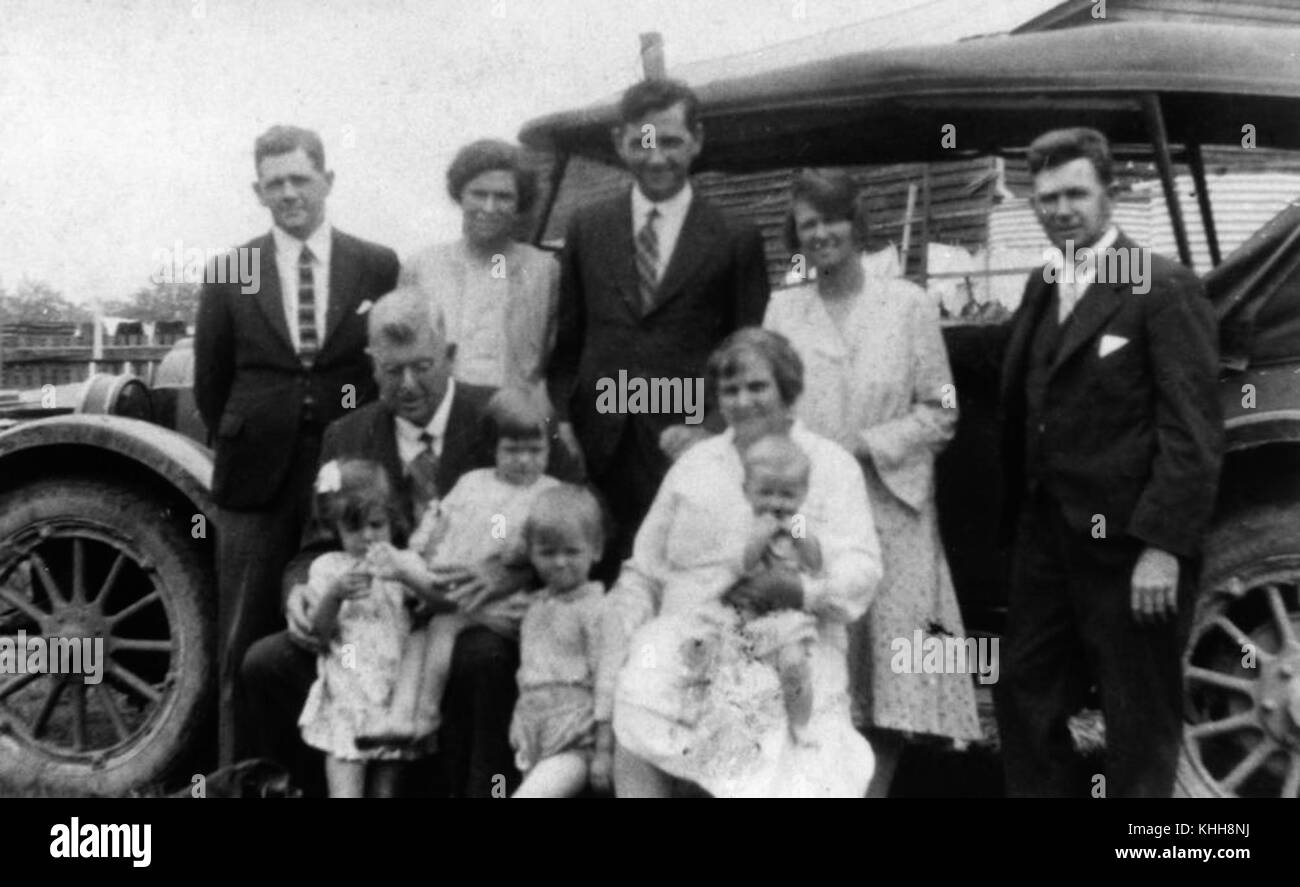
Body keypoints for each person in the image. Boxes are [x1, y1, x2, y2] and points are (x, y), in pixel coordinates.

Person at [241, 287, 579, 797]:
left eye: (423, 366)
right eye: (392, 370)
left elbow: (579, 510)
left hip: (471, 614)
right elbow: (313, 546)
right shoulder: (347, 435)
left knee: (481, 657)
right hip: (372, 624)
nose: (408, 384)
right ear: (371, 365)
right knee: (266, 662)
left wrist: (510, 572)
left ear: (450, 355)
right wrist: (300, 592)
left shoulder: (503, 415)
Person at [995, 128, 1223, 797]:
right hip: (1047, 539)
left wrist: (1163, 547)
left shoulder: (1162, 286)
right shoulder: (1044, 283)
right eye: (1047, 198)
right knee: (1024, 690)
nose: (1062, 210)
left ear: (1109, 195)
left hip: (1129, 546)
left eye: (1076, 194)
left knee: (1138, 714)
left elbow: (1192, 431)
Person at [763, 168, 981, 797]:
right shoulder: (783, 308)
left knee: (889, 673)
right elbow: (769, 406)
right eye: (808, 224)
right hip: (810, 509)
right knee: (815, 658)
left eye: (832, 219)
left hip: (892, 507)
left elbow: (941, 410)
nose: (821, 233)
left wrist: (866, 444)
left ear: (857, 224)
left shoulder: (908, 304)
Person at [600, 328, 882, 798]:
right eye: (730, 390)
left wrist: (802, 591)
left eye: (757, 386)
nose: (743, 401)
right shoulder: (695, 465)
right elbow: (643, 571)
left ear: (786, 389)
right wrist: (622, 647)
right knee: (639, 692)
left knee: (770, 729)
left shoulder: (831, 465)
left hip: (793, 641)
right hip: (691, 639)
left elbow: (862, 570)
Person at [194, 124, 400, 766]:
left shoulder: (377, 264)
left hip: (347, 476)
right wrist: (258, 430)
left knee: (353, 622)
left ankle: (333, 770)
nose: (288, 193)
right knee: (243, 639)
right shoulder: (230, 271)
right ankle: (242, 776)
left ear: (327, 181)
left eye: (300, 179)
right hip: (256, 478)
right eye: (274, 183)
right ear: (258, 191)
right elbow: (211, 383)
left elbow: (379, 366)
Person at [546, 77, 771, 583]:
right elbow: (567, 347)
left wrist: (712, 430)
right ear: (620, 142)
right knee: (596, 590)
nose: (656, 157)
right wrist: (564, 427)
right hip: (597, 450)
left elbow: (750, 355)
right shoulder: (586, 227)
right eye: (643, 142)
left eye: (670, 141)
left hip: (688, 448)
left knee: (684, 585)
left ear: (696, 140)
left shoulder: (735, 236)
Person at [361, 387, 563, 748]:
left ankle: (427, 713)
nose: (524, 461)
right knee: (418, 633)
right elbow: (443, 518)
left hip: (509, 604)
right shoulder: (473, 482)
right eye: (512, 450)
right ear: (493, 447)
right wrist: (427, 541)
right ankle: (399, 717)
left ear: (550, 448)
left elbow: (534, 546)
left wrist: (516, 549)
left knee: (443, 624)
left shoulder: (547, 495)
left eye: (535, 451)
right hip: (460, 587)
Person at [295, 459, 444, 797]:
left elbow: (439, 603)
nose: (367, 537)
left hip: (392, 698)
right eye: (353, 528)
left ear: (393, 520)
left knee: (386, 792)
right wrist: (334, 596)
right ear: (335, 528)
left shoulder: (404, 563)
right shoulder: (328, 568)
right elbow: (320, 633)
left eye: (376, 525)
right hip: (346, 696)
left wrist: (406, 574)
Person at [401, 139, 559, 403]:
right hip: (442, 411)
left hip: (516, 414)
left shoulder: (544, 270)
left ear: (519, 202)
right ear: (460, 195)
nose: (489, 207)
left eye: (503, 197)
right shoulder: (423, 267)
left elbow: (557, 358)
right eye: (479, 194)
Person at [509, 485, 609, 798]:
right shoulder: (534, 606)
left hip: (574, 737)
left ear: (596, 549)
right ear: (531, 553)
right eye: (548, 553)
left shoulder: (597, 609)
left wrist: (604, 750)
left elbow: (607, 680)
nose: (560, 562)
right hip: (533, 731)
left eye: (572, 551)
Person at [725, 433, 823, 740]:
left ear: (803, 493)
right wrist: (759, 536)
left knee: (794, 666)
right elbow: (741, 566)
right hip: (748, 616)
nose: (777, 503)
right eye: (766, 493)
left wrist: (801, 536)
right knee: (737, 677)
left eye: (787, 495)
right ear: (747, 490)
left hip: (786, 617)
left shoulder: (799, 523)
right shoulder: (744, 522)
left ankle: (801, 723)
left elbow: (816, 564)